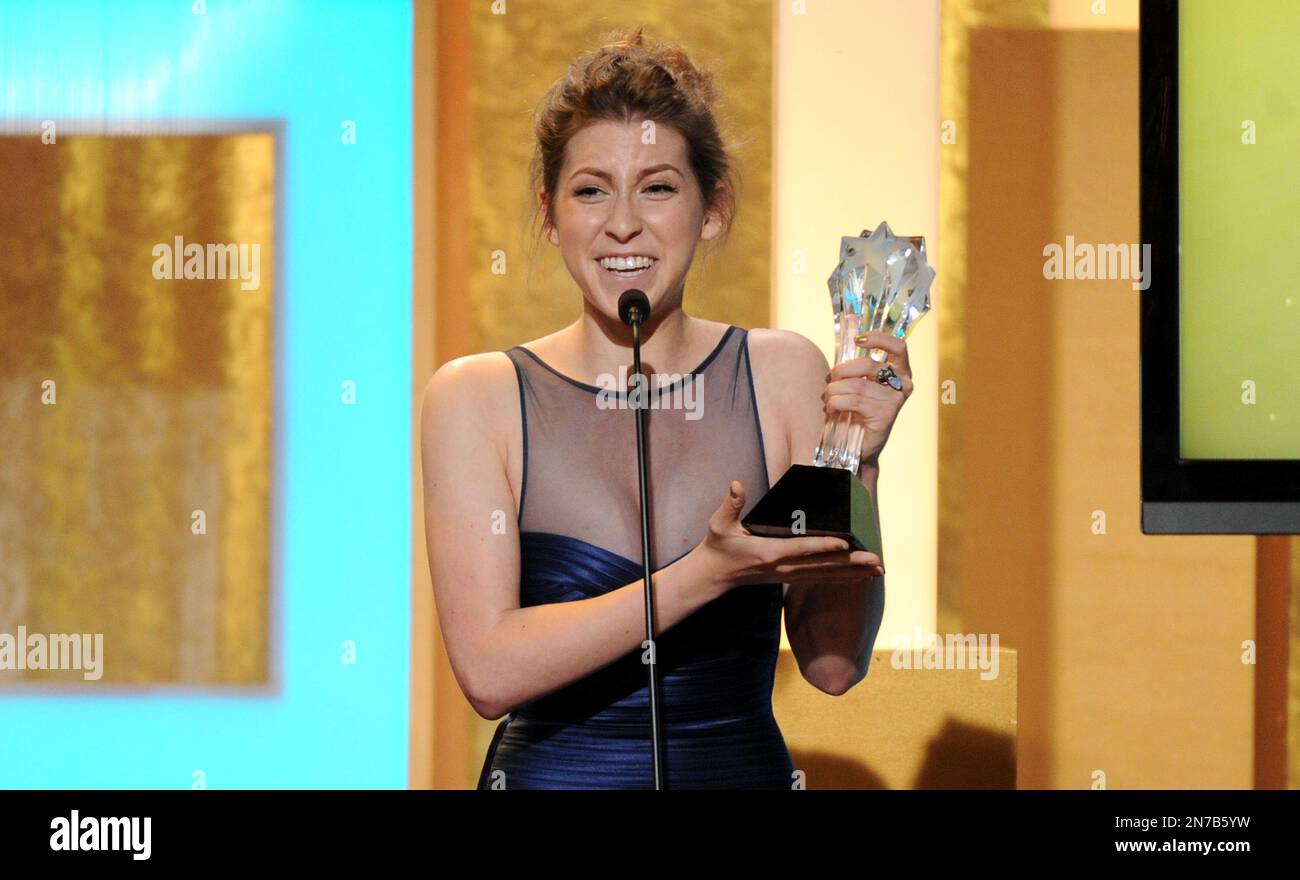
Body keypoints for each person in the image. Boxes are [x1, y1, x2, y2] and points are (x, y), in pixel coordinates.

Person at [420, 27, 911, 789]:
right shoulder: (477, 396)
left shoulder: (778, 373)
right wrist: (706, 575)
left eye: (657, 187)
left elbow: (834, 664)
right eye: (590, 190)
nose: (623, 223)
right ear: (551, 215)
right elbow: (488, 671)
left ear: (711, 209)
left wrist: (860, 460)